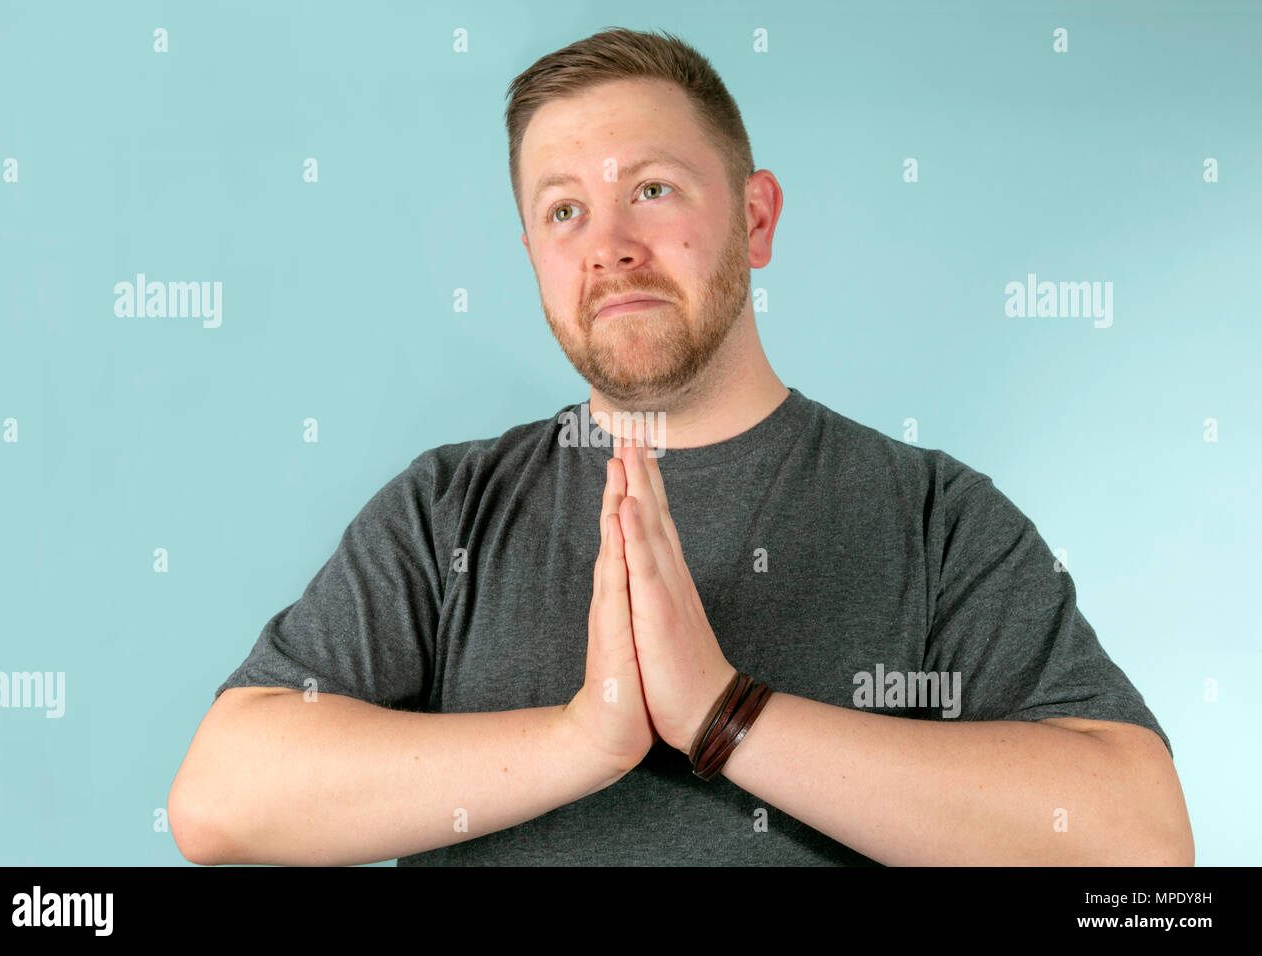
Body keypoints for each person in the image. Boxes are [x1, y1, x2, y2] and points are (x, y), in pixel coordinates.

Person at [167, 27, 1194, 867]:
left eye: (652, 189)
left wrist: (725, 712)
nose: (609, 244)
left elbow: (1139, 840)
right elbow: (220, 800)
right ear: (533, 257)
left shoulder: (934, 514)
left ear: (755, 218)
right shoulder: (447, 510)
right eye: (564, 209)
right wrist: (584, 737)